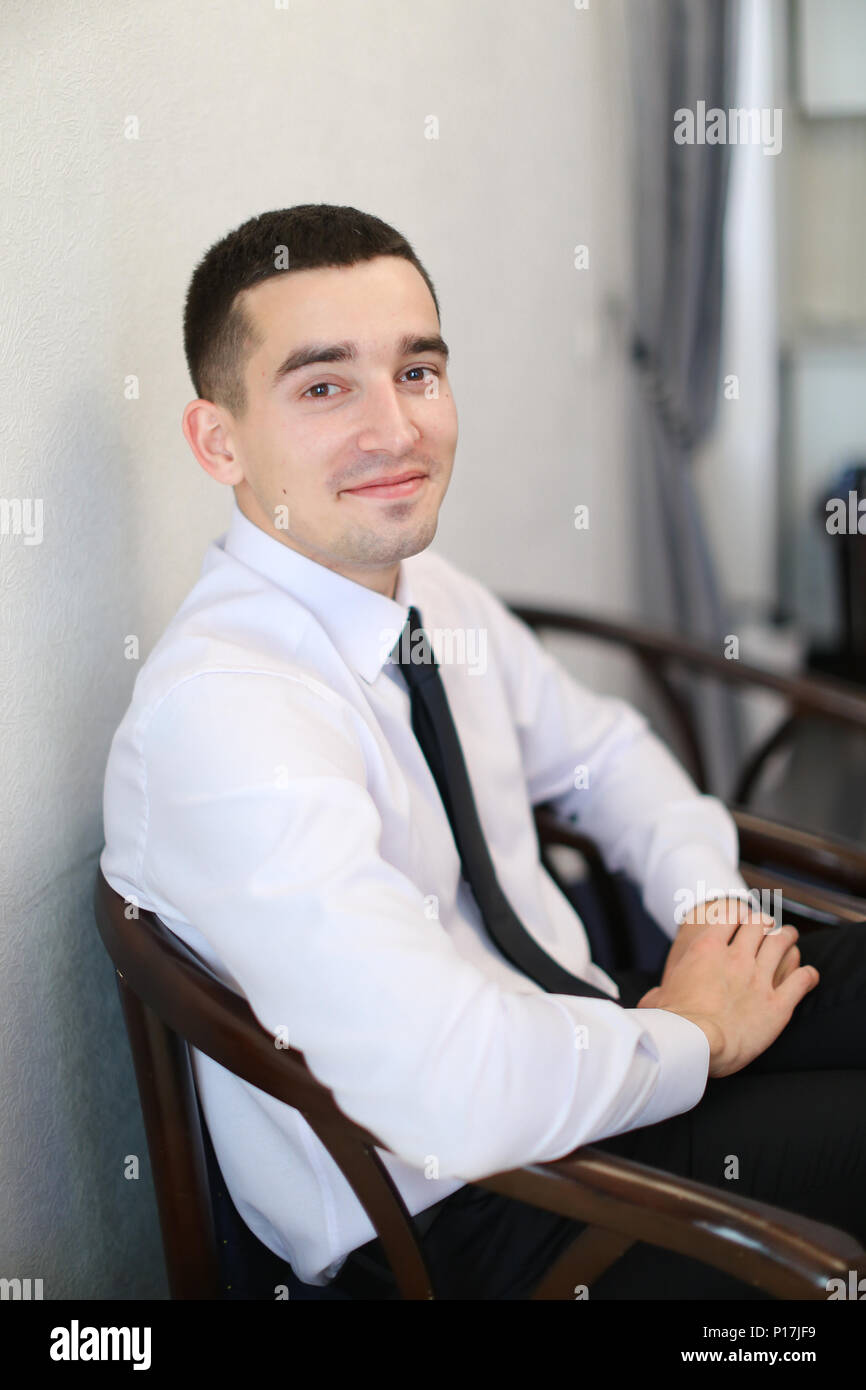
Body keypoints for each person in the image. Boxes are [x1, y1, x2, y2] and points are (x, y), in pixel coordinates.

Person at [100, 204, 866, 1301]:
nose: (395, 429)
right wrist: (689, 1029)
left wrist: (706, 913)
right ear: (219, 440)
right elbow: (454, 1088)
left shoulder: (426, 596)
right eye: (324, 386)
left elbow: (604, 753)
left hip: (596, 1049)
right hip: (475, 1214)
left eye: (417, 372)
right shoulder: (226, 716)